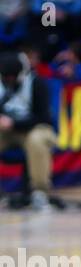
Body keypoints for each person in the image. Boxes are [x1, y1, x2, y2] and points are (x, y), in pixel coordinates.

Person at [0, 52, 57, 211]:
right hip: (7, 131)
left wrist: (14, 123)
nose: (9, 80)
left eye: (12, 77)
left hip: (35, 128)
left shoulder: (37, 84)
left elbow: (43, 117)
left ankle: (40, 192)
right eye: (5, 77)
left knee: (36, 140)